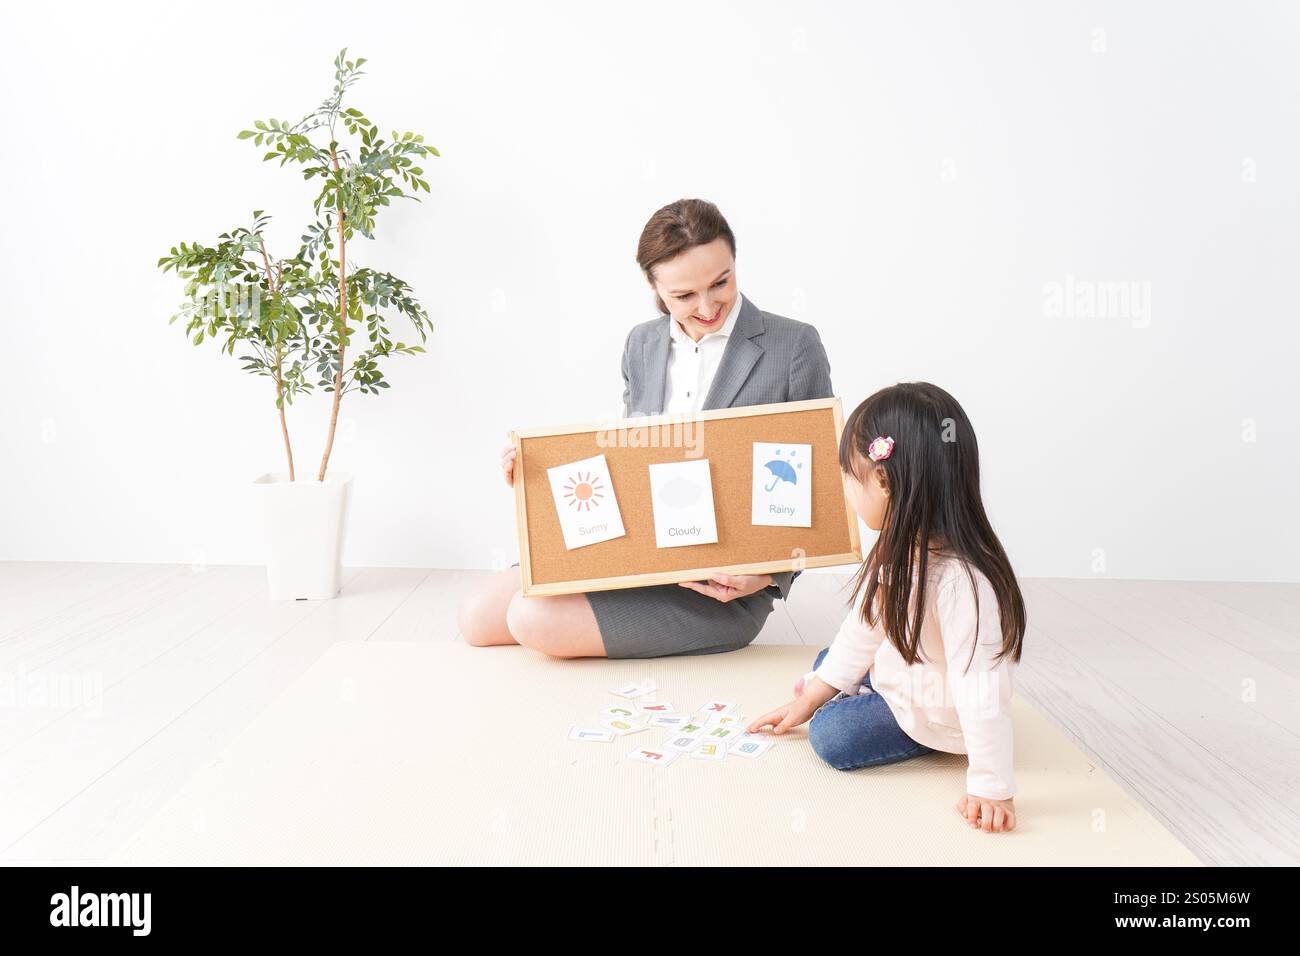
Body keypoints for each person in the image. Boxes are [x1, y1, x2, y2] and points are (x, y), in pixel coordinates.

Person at [457, 198, 833, 658]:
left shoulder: (794, 345)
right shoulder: (642, 344)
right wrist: (535, 474)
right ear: (652, 285)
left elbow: (819, 482)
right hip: (642, 554)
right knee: (476, 618)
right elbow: (630, 462)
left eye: (721, 282)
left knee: (529, 616)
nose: (708, 306)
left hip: (722, 585)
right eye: (683, 295)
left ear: (735, 262)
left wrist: (770, 575)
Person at [748, 382, 1027, 833]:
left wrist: (992, 785)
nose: (845, 489)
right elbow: (863, 629)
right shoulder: (900, 551)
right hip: (901, 675)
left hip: (935, 712)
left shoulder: (962, 581)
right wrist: (812, 697)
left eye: (849, 476)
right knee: (829, 664)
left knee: (832, 738)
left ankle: (864, 695)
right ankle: (852, 686)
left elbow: (982, 687)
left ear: (883, 480)